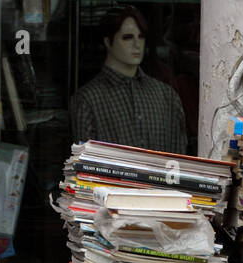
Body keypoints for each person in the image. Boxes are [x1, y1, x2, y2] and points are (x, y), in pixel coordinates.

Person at [71, 5, 188, 153]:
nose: (136, 44)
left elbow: (178, 158)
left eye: (141, 37)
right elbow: (86, 164)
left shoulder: (166, 96)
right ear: (108, 42)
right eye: (127, 37)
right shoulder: (88, 100)